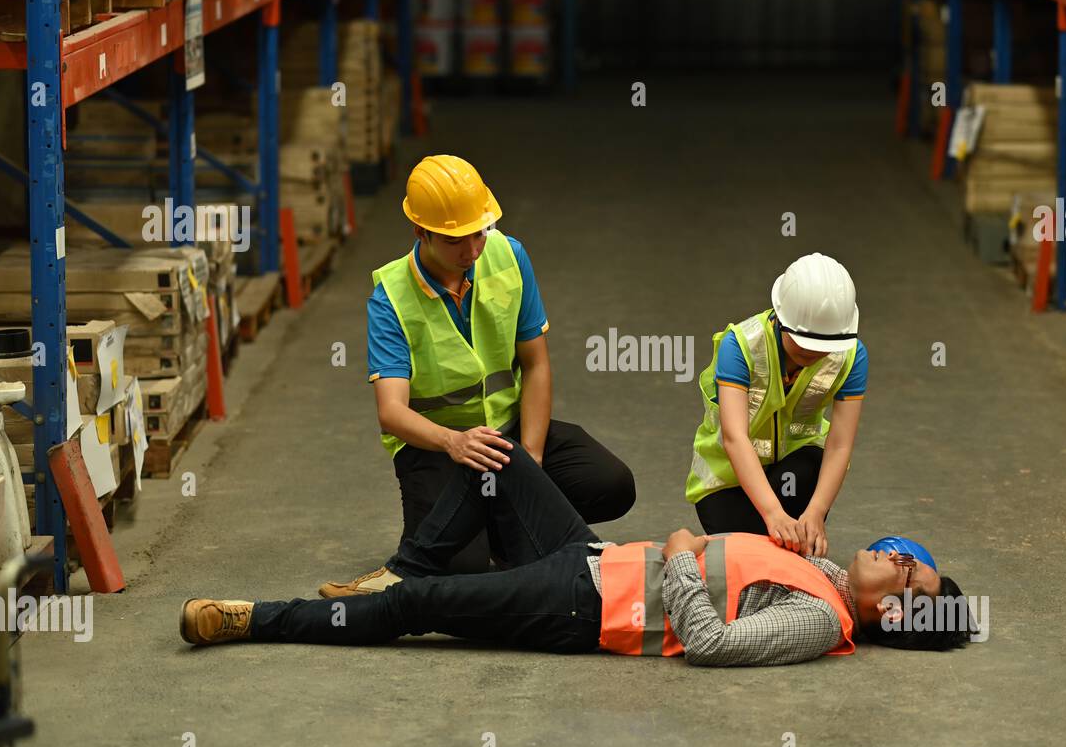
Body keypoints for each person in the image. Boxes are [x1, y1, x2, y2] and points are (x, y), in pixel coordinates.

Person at [180, 443, 974, 665]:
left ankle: (255, 620)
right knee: (499, 460)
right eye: (909, 549)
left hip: (586, 605)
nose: (899, 553)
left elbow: (710, 642)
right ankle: (409, 563)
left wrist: (681, 554)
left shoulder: (815, 623)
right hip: (595, 557)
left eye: (908, 570)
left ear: (892, 613)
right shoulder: (823, 572)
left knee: (418, 615)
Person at [334, 154, 635, 590]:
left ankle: (499, 520)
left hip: (508, 432)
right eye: (458, 241)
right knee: (462, 569)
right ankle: (495, 530)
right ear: (421, 232)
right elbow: (392, 412)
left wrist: (528, 462)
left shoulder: (508, 256)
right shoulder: (391, 299)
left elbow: (536, 364)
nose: (474, 249)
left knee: (612, 484)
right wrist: (453, 441)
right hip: (439, 450)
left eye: (479, 232)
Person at [686, 253, 866, 559]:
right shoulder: (740, 345)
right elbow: (734, 437)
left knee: (809, 471)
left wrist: (817, 513)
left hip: (796, 474)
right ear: (781, 320)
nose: (813, 351)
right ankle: (780, 536)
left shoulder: (851, 355)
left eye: (824, 345)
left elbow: (839, 445)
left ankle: (793, 532)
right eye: (805, 340)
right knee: (747, 550)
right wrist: (772, 513)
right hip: (728, 482)